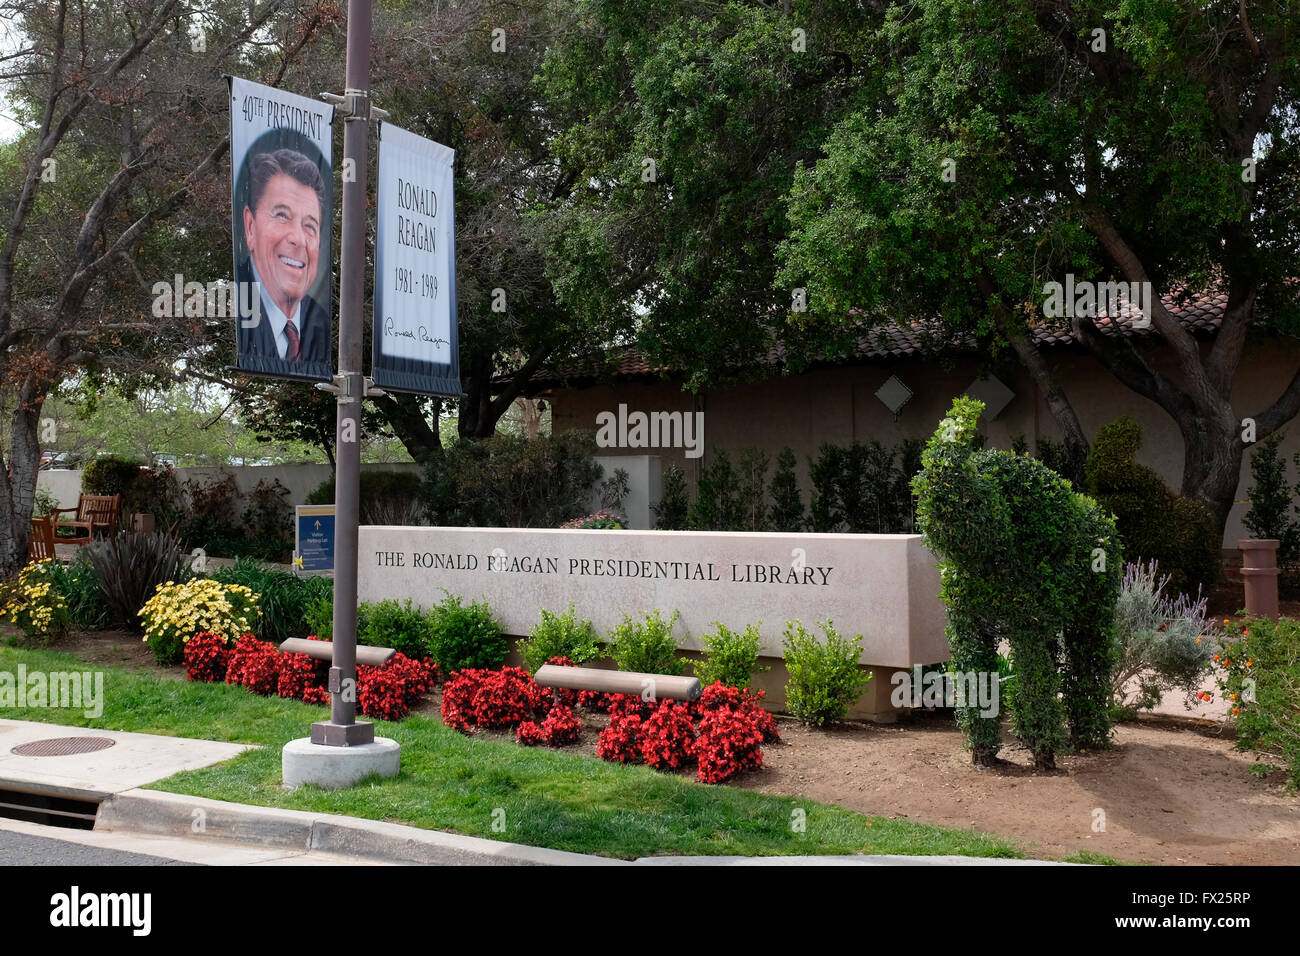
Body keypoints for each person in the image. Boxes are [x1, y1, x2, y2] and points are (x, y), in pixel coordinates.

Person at [236, 148, 331, 367]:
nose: (298, 239)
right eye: (282, 215)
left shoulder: (322, 324)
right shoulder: (227, 306)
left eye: (310, 226)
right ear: (250, 227)